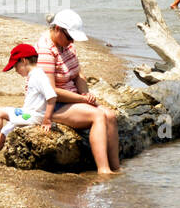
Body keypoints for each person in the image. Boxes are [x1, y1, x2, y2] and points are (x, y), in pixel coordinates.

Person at [36, 9, 121, 174]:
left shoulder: (67, 46)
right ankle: (103, 170)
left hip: (71, 99)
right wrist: (81, 100)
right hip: (51, 105)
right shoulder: (45, 50)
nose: (71, 41)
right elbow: (51, 91)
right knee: (98, 115)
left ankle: (116, 167)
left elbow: (78, 75)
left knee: (110, 114)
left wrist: (84, 94)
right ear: (58, 29)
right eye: (69, 37)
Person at [0, 43, 58, 164]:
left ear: (24, 61)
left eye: (16, 66)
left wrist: (47, 119)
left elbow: (52, 96)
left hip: (34, 115)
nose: (15, 70)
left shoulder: (38, 76)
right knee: (3, 133)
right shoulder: (34, 75)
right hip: (28, 113)